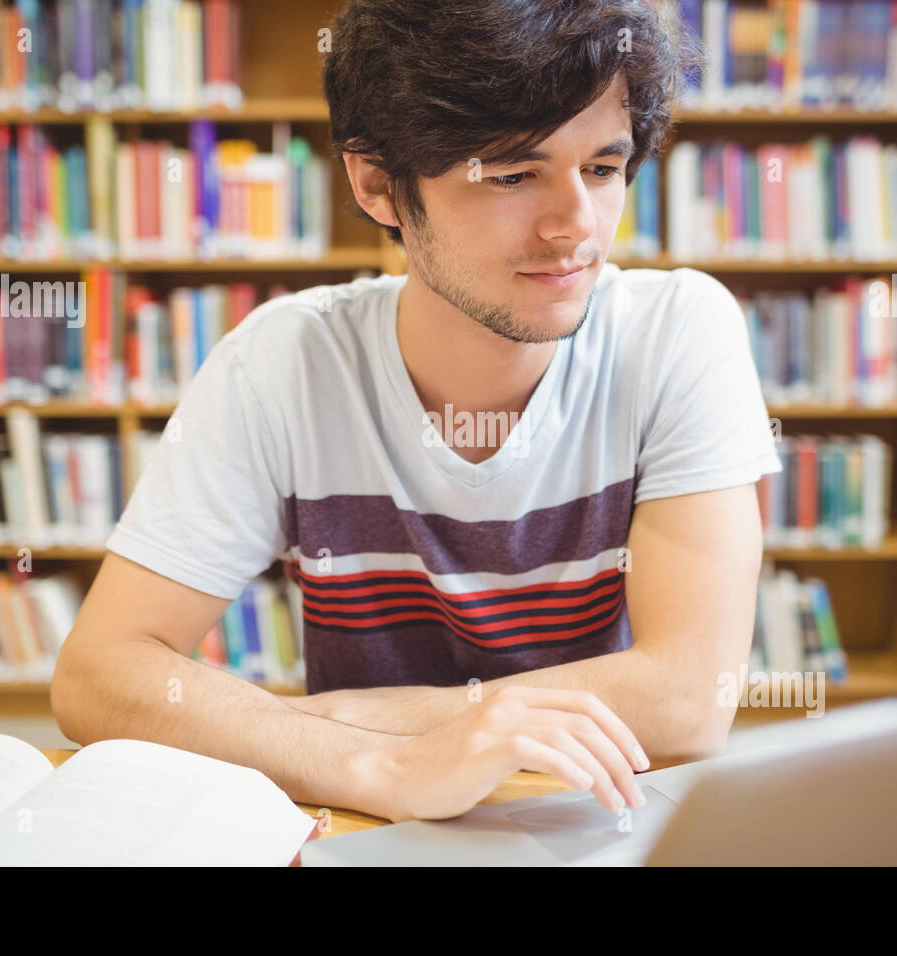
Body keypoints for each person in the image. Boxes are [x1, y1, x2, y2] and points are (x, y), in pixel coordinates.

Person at [52, 0, 782, 824]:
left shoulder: (679, 331)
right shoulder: (283, 363)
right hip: (374, 826)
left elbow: (689, 699)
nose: (576, 225)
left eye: (603, 169)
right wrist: (380, 764)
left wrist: (355, 719)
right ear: (377, 184)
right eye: (512, 174)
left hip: (595, 828)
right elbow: (98, 672)